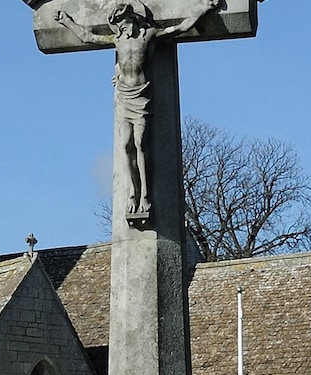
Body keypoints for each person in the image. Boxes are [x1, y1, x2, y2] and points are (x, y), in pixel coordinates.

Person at [56, 0, 222, 218]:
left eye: (121, 23)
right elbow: (88, 36)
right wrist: (67, 22)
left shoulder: (149, 35)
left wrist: (203, 9)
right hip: (125, 95)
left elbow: (180, 27)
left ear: (131, 18)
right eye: (116, 24)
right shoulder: (116, 40)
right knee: (126, 146)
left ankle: (145, 193)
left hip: (142, 95)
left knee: (140, 142)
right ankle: (133, 191)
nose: (120, 28)